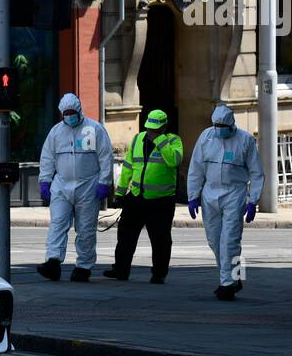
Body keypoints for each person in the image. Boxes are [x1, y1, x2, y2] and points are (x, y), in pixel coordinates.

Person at [186, 104, 265, 300]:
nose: (219, 129)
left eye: (223, 125)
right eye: (217, 125)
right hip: (210, 193)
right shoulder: (206, 137)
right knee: (214, 240)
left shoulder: (245, 140)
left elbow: (256, 172)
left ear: (231, 124)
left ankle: (227, 284)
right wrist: (193, 195)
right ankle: (235, 277)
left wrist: (252, 200)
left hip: (234, 193)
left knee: (230, 240)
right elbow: (196, 168)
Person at [37, 93, 114, 282]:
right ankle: (53, 262)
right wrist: (45, 180)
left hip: (88, 186)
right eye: (66, 113)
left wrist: (105, 182)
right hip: (62, 186)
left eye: (72, 112)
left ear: (79, 111)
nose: (69, 116)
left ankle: (83, 267)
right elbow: (47, 158)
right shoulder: (56, 132)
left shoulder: (95, 129)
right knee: (57, 224)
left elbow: (106, 157)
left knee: (86, 229)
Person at [104, 109, 183, 284]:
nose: (150, 133)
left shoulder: (173, 141)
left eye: (155, 130)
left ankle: (159, 274)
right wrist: (120, 192)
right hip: (137, 197)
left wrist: (160, 140)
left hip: (161, 200)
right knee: (125, 235)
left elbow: (174, 161)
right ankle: (121, 269)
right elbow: (128, 167)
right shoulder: (138, 139)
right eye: (149, 129)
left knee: (160, 239)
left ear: (164, 127)